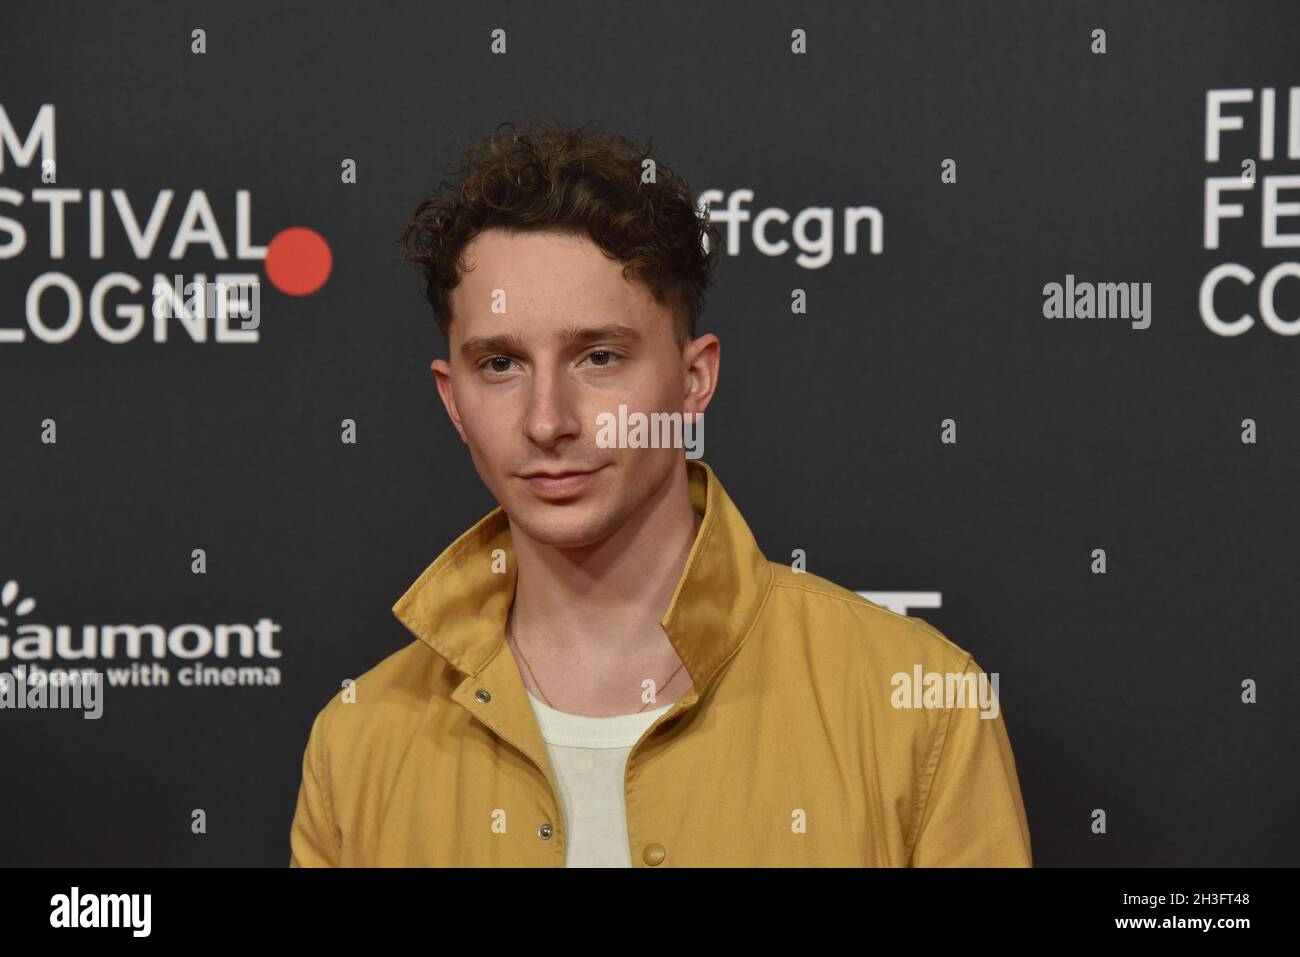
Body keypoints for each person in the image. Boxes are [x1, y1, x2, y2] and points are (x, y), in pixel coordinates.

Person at [288, 119, 1032, 867]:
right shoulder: (359, 740)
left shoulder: (919, 703)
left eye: (599, 356)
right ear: (453, 400)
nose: (548, 420)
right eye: (501, 364)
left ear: (693, 380)